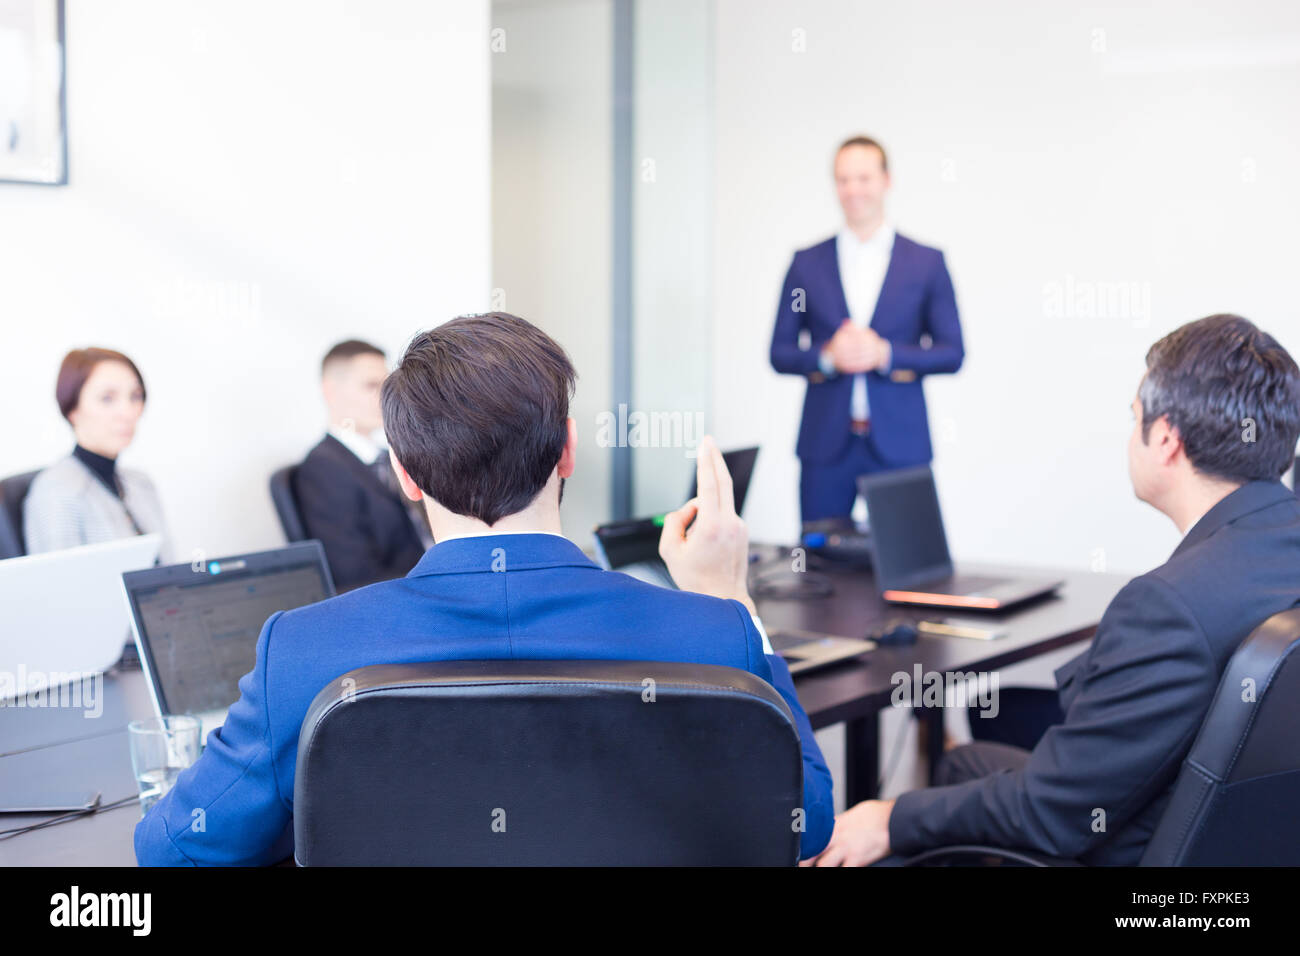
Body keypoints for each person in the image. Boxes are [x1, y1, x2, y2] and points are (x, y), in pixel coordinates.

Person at [135, 312, 834, 865]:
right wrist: (731, 594)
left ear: (404, 474)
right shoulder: (714, 634)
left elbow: (172, 850)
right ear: (566, 449)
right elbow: (809, 821)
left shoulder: (302, 652)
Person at [806, 313, 1300, 866]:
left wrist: (890, 818)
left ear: (1164, 439)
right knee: (976, 750)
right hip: (1245, 844)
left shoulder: (1167, 606)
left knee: (905, 824)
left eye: (1133, 416)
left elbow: (1052, 814)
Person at [770, 135, 964, 523]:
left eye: (863, 178)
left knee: (908, 567)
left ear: (886, 181)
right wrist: (827, 356)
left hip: (901, 445)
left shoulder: (926, 262)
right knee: (818, 570)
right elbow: (780, 351)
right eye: (843, 180)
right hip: (825, 446)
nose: (852, 189)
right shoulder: (805, 263)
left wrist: (885, 354)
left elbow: (952, 351)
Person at [294, 339, 431, 591]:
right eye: (370, 386)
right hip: (405, 599)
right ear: (331, 392)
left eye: (387, 384)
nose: (385, 396)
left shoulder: (390, 456)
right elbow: (355, 577)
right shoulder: (324, 471)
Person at [23, 347, 172, 561]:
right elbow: (60, 590)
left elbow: (172, 571)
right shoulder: (56, 493)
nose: (128, 412)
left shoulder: (141, 483)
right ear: (72, 408)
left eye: (135, 396)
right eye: (107, 398)